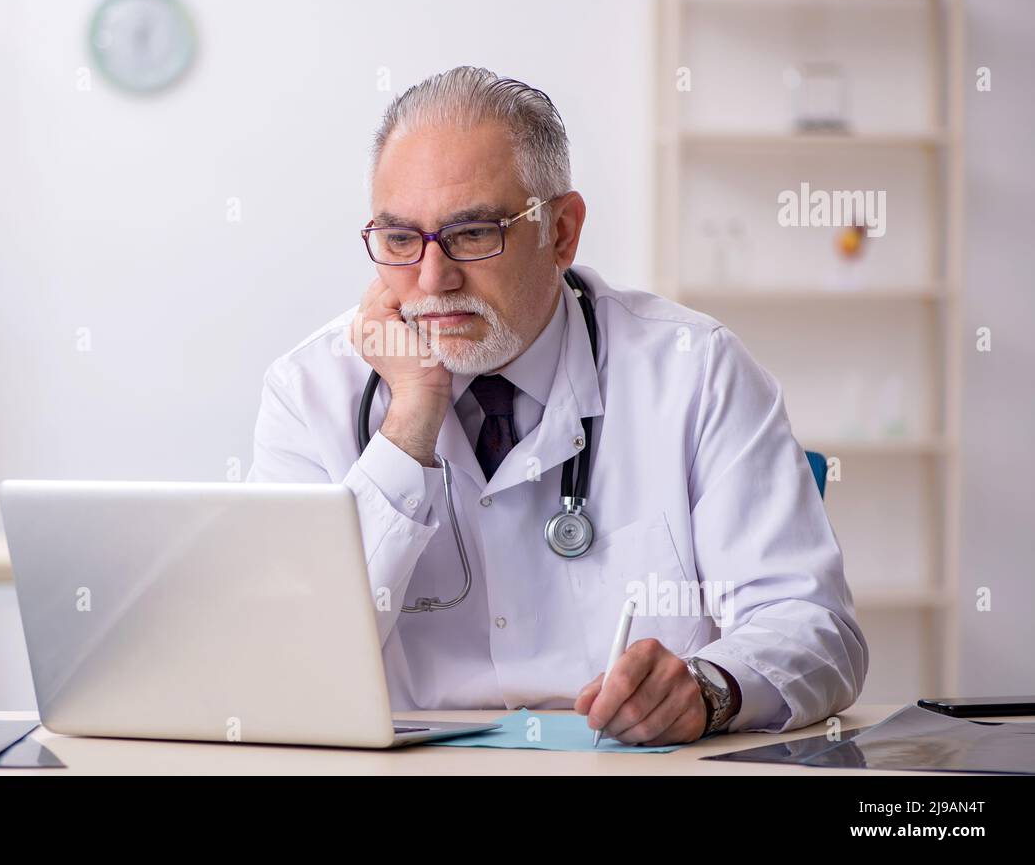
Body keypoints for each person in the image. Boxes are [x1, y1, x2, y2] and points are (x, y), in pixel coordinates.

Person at [247, 66, 868, 745]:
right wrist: (410, 421)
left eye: (473, 233)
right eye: (400, 240)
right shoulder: (309, 393)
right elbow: (282, 662)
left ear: (563, 232)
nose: (432, 279)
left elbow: (815, 626)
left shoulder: (696, 371)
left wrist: (709, 687)